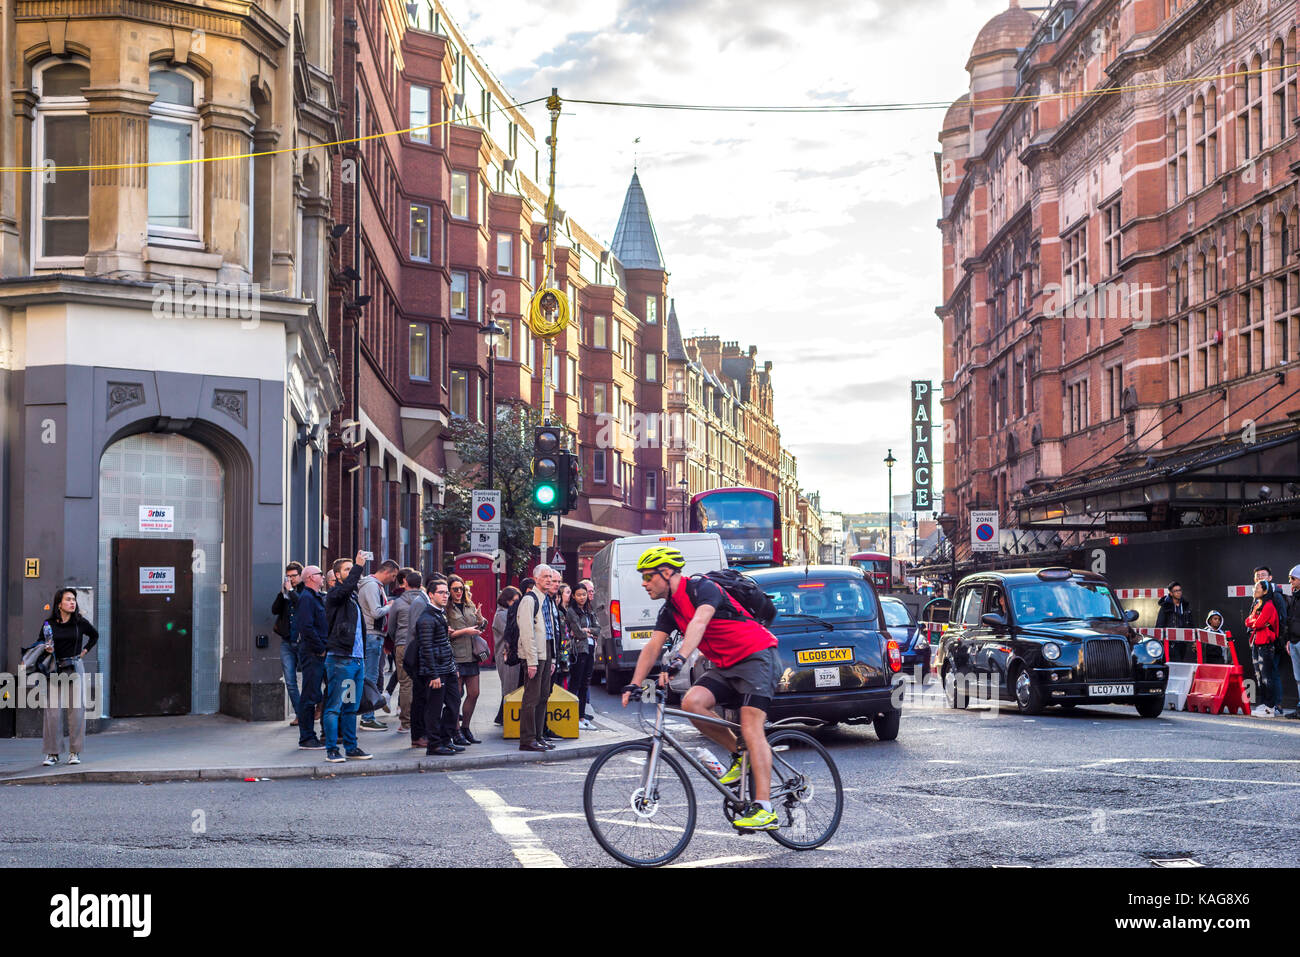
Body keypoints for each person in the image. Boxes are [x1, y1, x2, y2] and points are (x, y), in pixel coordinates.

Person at [622, 545, 781, 832]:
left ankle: (765, 808)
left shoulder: (701, 588)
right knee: (692, 703)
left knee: (750, 725)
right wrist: (634, 683)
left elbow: (700, 621)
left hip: (757, 655)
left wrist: (680, 657)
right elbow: (653, 646)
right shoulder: (670, 610)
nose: (644, 584)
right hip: (726, 665)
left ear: (666, 573)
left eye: (648, 577)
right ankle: (740, 756)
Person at [320, 553, 375, 762]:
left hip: (356, 661)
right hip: (340, 660)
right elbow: (345, 588)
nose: (351, 572)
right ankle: (332, 749)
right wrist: (359, 567)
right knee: (334, 706)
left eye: (351, 569)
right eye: (346, 570)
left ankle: (351, 747)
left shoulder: (351, 598)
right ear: (336, 575)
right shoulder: (335, 595)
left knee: (351, 707)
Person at [38, 588, 98, 767]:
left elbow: (94, 635)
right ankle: (52, 753)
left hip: (74, 666)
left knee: (76, 711)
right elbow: (40, 642)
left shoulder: (80, 622)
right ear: (59, 604)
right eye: (68, 600)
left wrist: (85, 650)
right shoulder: (49, 624)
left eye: (74, 600)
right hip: (55, 667)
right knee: (52, 713)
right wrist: (46, 648)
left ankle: (74, 752)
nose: (72, 602)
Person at [415, 578, 462, 755]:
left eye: (446, 592)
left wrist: (453, 666)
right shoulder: (426, 618)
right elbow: (426, 648)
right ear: (430, 595)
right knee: (434, 709)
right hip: (435, 671)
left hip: (447, 668)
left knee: (454, 704)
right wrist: (433, 674)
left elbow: (444, 644)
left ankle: (445, 739)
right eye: (441, 592)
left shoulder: (439, 614)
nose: (445, 596)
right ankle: (434, 744)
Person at [517, 568, 557, 752]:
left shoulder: (547, 599)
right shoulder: (529, 600)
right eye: (545, 577)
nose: (549, 580)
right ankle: (527, 739)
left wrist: (553, 658)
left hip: (546, 651)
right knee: (531, 698)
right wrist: (532, 661)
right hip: (535, 654)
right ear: (536, 579)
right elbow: (526, 632)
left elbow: (550, 631)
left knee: (543, 696)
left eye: (551, 577)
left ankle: (539, 736)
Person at [445, 576, 488, 745]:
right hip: (456, 655)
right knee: (456, 696)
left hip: (471, 656)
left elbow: (481, 628)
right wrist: (465, 631)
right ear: (449, 590)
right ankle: (455, 731)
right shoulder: (446, 608)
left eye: (461, 589)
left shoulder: (469, 605)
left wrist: (480, 618)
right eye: (455, 589)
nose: (458, 592)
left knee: (474, 693)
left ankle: (466, 728)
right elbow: (446, 634)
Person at [357, 559, 398, 732]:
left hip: (374, 636)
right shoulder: (373, 586)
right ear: (387, 572)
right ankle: (367, 718)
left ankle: (368, 716)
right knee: (371, 677)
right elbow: (376, 612)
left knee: (371, 676)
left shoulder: (373, 585)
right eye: (394, 575)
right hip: (373, 636)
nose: (394, 579)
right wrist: (390, 606)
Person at [387, 568, 428, 738]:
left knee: (405, 684)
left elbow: (391, 627)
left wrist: (397, 640)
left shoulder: (398, 602)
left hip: (403, 644)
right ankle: (421, 720)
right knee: (422, 683)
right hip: (423, 644)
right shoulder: (426, 599)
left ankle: (406, 722)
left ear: (405, 583)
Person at [294, 566, 329, 749]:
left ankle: (323, 733)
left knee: (321, 693)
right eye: (319, 574)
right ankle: (307, 737)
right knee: (309, 695)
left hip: (319, 652)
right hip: (313, 653)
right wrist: (320, 648)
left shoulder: (316, 597)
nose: (323, 576)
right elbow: (306, 627)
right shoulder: (307, 598)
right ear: (310, 578)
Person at [271, 562, 304, 725]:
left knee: (310, 681)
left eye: (294, 576)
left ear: (301, 575)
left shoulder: (306, 591)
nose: (291, 579)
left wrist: (291, 591)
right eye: (288, 576)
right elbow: (274, 610)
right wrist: (282, 592)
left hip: (304, 642)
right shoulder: (285, 592)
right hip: (287, 642)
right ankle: (300, 714)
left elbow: (302, 606)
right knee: (290, 681)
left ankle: (313, 707)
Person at [1246, 579, 1283, 717]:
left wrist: (1255, 621)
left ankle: (1270, 708)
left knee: (1267, 677)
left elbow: (1258, 623)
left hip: (1266, 645)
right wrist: (1255, 620)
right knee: (1259, 676)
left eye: (1257, 588)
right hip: (1256, 643)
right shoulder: (1258, 604)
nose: (1254, 590)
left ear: (1265, 591)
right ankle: (1264, 704)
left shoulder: (1268, 606)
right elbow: (1248, 621)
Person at [566, 582, 599, 729]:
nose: (582, 597)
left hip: (590, 649)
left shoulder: (589, 611)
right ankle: (573, 718)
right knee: (576, 683)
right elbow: (578, 632)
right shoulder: (571, 612)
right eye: (579, 595)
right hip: (578, 651)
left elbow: (598, 629)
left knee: (585, 684)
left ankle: (582, 717)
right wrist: (586, 632)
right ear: (574, 596)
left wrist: (588, 630)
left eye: (584, 594)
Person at [493, 586, 523, 726]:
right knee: (509, 687)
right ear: (507, 600)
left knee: (511, 686)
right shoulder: (502, 614)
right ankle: (507, 718)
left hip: (512, 655)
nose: (517, 604)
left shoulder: (509, 612)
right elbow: (511, 633)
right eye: (515, 601)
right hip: (505, 656)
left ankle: (502, 717)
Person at [1285, 565, 1300, 719]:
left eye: (1293, 578)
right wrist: (1288, 639)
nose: (1290, 582)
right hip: (1294, 641)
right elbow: (1290, 620)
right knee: (1298, 678)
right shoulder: (1294, 597)